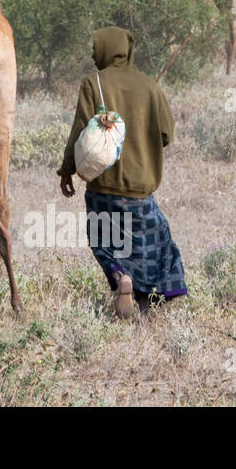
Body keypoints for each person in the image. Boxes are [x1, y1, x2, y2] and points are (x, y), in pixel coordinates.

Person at [56, 27, 186, 319]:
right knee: (157, 247)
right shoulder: (149, 86)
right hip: (140, 192)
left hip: (103, 190)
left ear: (107, 50)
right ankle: (142, 304)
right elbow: (166, 134)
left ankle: (120, 279)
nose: (92, 54)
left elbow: (79, 133)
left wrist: (67, 170)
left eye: (95, 49)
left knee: (105, 242)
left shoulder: (94, 83)